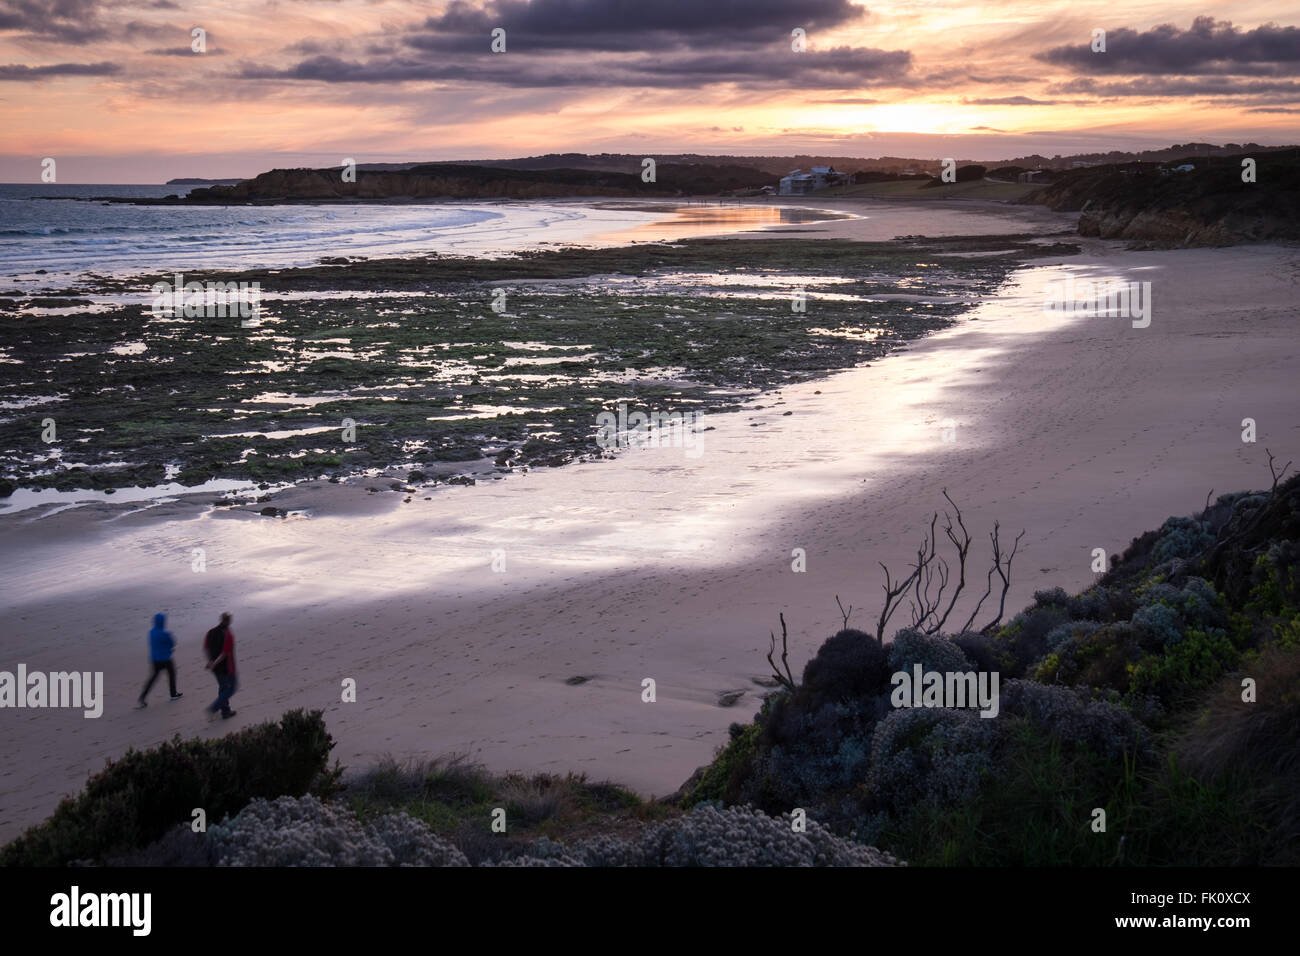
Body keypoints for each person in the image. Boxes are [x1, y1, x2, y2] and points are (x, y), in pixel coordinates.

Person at [137, 612, 182, 707]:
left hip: (154, 659)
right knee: (172, 675)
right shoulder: (165, 633)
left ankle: (143, 696)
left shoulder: (151, 632)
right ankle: (173, 694)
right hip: (166, 659)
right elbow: (173, 643)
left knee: (152, 678)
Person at [204, 612, 237, 720]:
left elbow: (206, 647)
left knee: (222, 687)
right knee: (231, 688)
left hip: (215, 667)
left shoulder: (210, 632)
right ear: (229, 621)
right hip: (226, 667)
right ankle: (215, 708)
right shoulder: (228, 634)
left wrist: (210, 662)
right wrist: (214, 663)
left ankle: (225, 710)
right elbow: (225, 653)